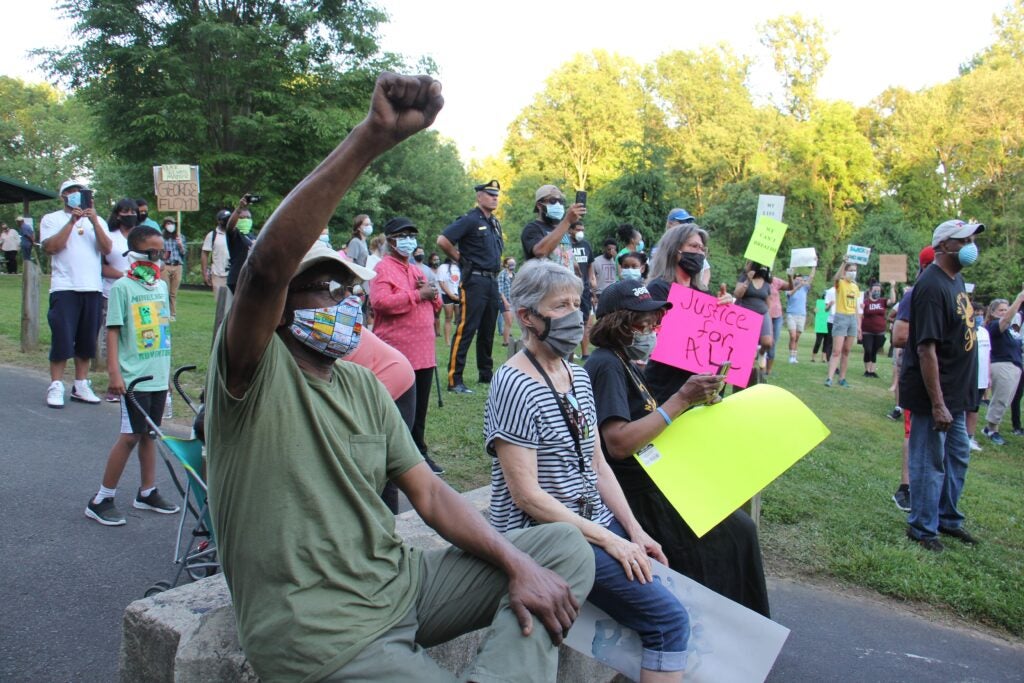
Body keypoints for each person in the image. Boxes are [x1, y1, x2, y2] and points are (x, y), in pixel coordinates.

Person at [206, 73, 593, 683]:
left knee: (564, 550)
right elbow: (263, 270)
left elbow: (433, 495)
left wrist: (518, 565)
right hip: (319, 631)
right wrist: (370, 138)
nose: (341, 301)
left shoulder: (362, 384)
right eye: (319, 290)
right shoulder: (250, 378)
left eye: (346, 289)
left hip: (400, 586)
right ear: (281, 308)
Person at [486, 259, 691, 682]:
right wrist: (609, 541)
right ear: (527, 316)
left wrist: (633, 530)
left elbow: (597, 463)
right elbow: (526, 496)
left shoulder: (578, 376)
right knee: (669, 621)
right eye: (561, 305)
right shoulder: (512, 382)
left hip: (588, 526)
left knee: (670, 579)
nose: (576, 315)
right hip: (546, 539)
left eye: (578, 302)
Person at [585, 279, 771, 616]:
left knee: (739, 529)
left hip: (657, 481)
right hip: (635, 497)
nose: (653, 328)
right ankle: (722, 631)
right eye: (645, 321)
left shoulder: (624, 362)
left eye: (655, 320)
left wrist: (694, 402)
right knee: (731, 536)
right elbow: (618, 444)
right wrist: (681, 399)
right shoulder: (606, 365)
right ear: (621, 323)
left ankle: (740, 631)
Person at [85, 225, 180, 525]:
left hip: (157, 374)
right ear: (139, 253)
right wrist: (115, 372)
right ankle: (102, 498)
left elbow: (164, 332)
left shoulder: (161, 287)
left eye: (163, 251)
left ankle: (147, 491)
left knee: (150, 434)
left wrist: (166, 377)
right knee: (130, 436)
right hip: (134, 377)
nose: (160, 257)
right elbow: (113, 331)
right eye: (156, 252)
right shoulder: (123, 288)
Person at [899, 219, 984, 552]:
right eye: (964, 240)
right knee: (929, 460)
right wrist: (937, 403)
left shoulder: (955, 279)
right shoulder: (931, 286)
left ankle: (948, 518)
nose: (971, 245)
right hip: (935, 395)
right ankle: (922, 526)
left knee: (958, 456)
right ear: (945, 245)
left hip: (957, 393)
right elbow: (925, 348)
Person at [371, 216, 445, 474]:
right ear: (391, 241)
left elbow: (435, 305)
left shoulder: (415, 269)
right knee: (400, 410)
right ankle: (396, 459)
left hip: (424, 353)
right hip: (398, 353)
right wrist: (417, 295)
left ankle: (419, 455)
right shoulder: (383, 268)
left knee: (420, 410)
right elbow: (380, 303)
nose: (409, 240)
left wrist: (432, 294)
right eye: (403, 235)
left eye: (412, 234)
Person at [40, 180, 113, 408]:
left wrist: (93, 220)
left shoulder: (97, 220)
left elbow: (107, 249)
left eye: (79, 192)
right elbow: (51, 247)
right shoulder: (52, 219)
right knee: (62, 337)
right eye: (70, 192)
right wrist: (72, 221)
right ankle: (56, 384)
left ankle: (81, 384)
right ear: (63, 196)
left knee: (86, 339)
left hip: (91, 288)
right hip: (65, 287)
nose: (75, 195)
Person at [643, 224, 735, 402]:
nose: (699, 253)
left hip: (700, 388)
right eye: (693, 246)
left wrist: (725, 311)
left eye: (702, 249)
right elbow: (658, 337)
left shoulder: (703, 294)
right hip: (666, 387)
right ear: (675, 249)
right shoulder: (659, 289)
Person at [438, 179, 504, 394]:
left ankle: (486, 374)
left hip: (492, 280)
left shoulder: (494, 222)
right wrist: (460, 258)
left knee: (488, 330)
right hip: (474, 280)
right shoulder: (470, 219)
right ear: (479, 197)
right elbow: (443, 240)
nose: (495, 198)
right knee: (466, 329)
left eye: (496, 195)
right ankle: (455, 379)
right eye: (490, 194)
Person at [98, 199, 141, 398]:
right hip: (112, 292)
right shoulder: (109, 236)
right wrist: (123, 275)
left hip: (138, 294)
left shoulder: (141, 236)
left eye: (133, 211)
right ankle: (114, 381)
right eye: (126, 211)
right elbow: (100, 266)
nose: (130, 214)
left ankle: (134, 380)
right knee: (112, 337)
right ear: (117, 214)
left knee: (135, 337)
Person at [982, 292, 1024, 445]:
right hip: (1002, 365)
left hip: (1014, 367)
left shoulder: (1010, 330)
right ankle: (992, 430)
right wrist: (1020, 298)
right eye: (1001, 310)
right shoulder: (994, 326)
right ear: (992, 312)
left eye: (1006, 309)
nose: (1005, 312)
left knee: (1005, 400)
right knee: (1000, 399)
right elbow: (1007, 319)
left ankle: (990, 428)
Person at [521, 184, 586, 272]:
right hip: (544, 284)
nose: (558, 204)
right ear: (539, 206)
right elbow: (540, 252)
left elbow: (564, 252)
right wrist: (567, 221)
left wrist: (574, 264)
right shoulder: (532, 228)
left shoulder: (561, 228)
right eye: (552, 200)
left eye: (560, 201)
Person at [733, 261, 776, 384]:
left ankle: (761, 353)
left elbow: (769, 301)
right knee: (747, 351)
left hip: (762, 313)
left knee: (767, 342)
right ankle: (746, 378)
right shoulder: (745, 278)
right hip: (747, 314)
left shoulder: (767, 283)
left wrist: (769, 315)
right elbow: (737, 294)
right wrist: (748, 279)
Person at [825, 261, 861, 387]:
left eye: (855, 270)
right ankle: (829, 378)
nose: (853, 272)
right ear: (845, 271)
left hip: (852, 318)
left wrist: (859, 324)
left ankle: (842, 378)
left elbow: (856, 307)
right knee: (837, 350)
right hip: (841, 317)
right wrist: (843, 263)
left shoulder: (855, 287)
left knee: (846, 351)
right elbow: (835, 278)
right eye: (850, 270)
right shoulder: (840, 283)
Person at [861, 279, 896, 378]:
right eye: (875, 290)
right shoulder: (865, 302)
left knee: (874, 350)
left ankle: (872, 371)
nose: (877, 292)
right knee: (867, 349)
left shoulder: (883, 301)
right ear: (870, 291)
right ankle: (867, 370)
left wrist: (892, 287)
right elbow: (859, 314)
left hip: (879, 332)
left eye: (879, 290)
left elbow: (892, 301)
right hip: (867, 331)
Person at [571, 224, 596, 359]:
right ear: (570, 230)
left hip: (584, 288)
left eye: (582, 230)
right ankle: (569, 351)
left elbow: (590, 262)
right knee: (570, 319)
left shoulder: (586, 245)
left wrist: (592, 278)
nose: (580, 232)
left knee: (586, 320)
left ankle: (585, 353)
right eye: (577, 230)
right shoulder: (566, 245)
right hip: (569, 288)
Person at [764, 270, 794, 376]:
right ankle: (761, 368)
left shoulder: (775, 281)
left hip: (777, 316)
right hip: (764, 315)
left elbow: (790, 287)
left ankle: (768, 370)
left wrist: (790, 276)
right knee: (764, 343)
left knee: (772, 343)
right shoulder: (760, 282)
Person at [785, 268, 815, 363]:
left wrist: (814, 266)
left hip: (802, 315)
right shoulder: (789, 287)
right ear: (794, 280)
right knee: (793, 336)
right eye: (797, 279)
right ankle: (791, 356)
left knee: (796, 337)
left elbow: (811, 277)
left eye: (801, 279)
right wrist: (797, 286)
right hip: (791, 314)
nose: (799, 281)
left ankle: (794, 356)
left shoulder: (805, 288)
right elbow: (790, 293)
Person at [160, 216, 186, 320]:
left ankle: (172, 314)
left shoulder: (180, 237)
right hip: (166, 265)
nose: (170, 226)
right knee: (165, 290)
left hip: (177, 265)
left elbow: (184, 252)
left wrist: (180, 245)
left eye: (172, 223)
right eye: (168, 223)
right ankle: (164, 313)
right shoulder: (161, 237)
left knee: (173, 293)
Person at [200, 212, 230, 293]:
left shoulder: (235, 234)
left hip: (233, 274)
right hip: (218, 274)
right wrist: (205, 273)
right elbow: (205, 254)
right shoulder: (212, 235)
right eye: (225, 219)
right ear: (219, 221)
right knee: (221, 302)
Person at [437, 256, 461, 345]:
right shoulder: (443, 267)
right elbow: (441, 282)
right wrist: (450, 294)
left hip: (458, 295)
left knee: (459, 318)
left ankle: (458, 339)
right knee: (448, 318)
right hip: (447, 295)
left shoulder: (459, 266)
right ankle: (448, 341)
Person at [497, 256, 515, 347]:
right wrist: (505, 302)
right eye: (511, 263)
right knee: (508, 321)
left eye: (513, 263)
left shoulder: (514, 275)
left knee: (510, 322)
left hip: (512, 301)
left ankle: (507, 340)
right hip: (503, 301)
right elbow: (500, 290)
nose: (513, 265)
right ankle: (506, 342)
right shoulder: (502, 274)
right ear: (506, 264)